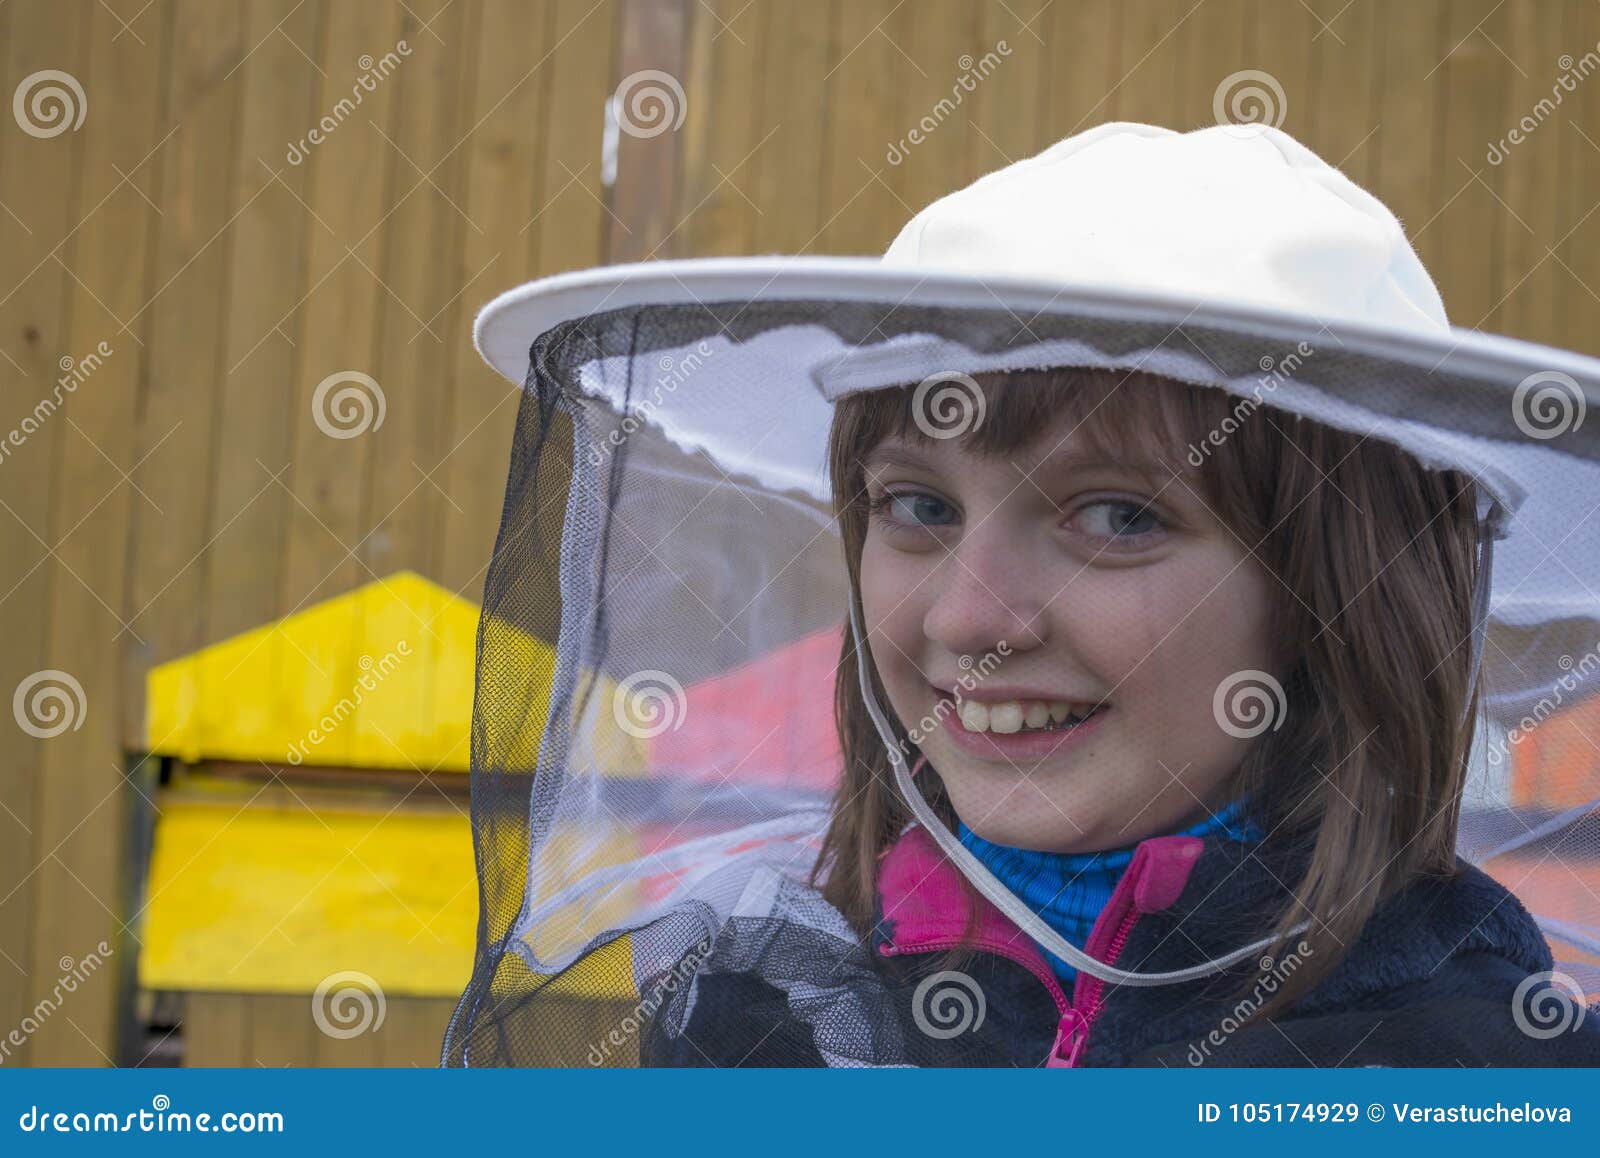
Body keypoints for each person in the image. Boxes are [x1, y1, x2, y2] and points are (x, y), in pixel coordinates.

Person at [445, 122, 1600, 1068]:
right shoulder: (769, 1023)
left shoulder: (1472, 1069)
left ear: (1339, 599)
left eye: (1117, 517)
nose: (968, 620)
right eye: (919, 507)